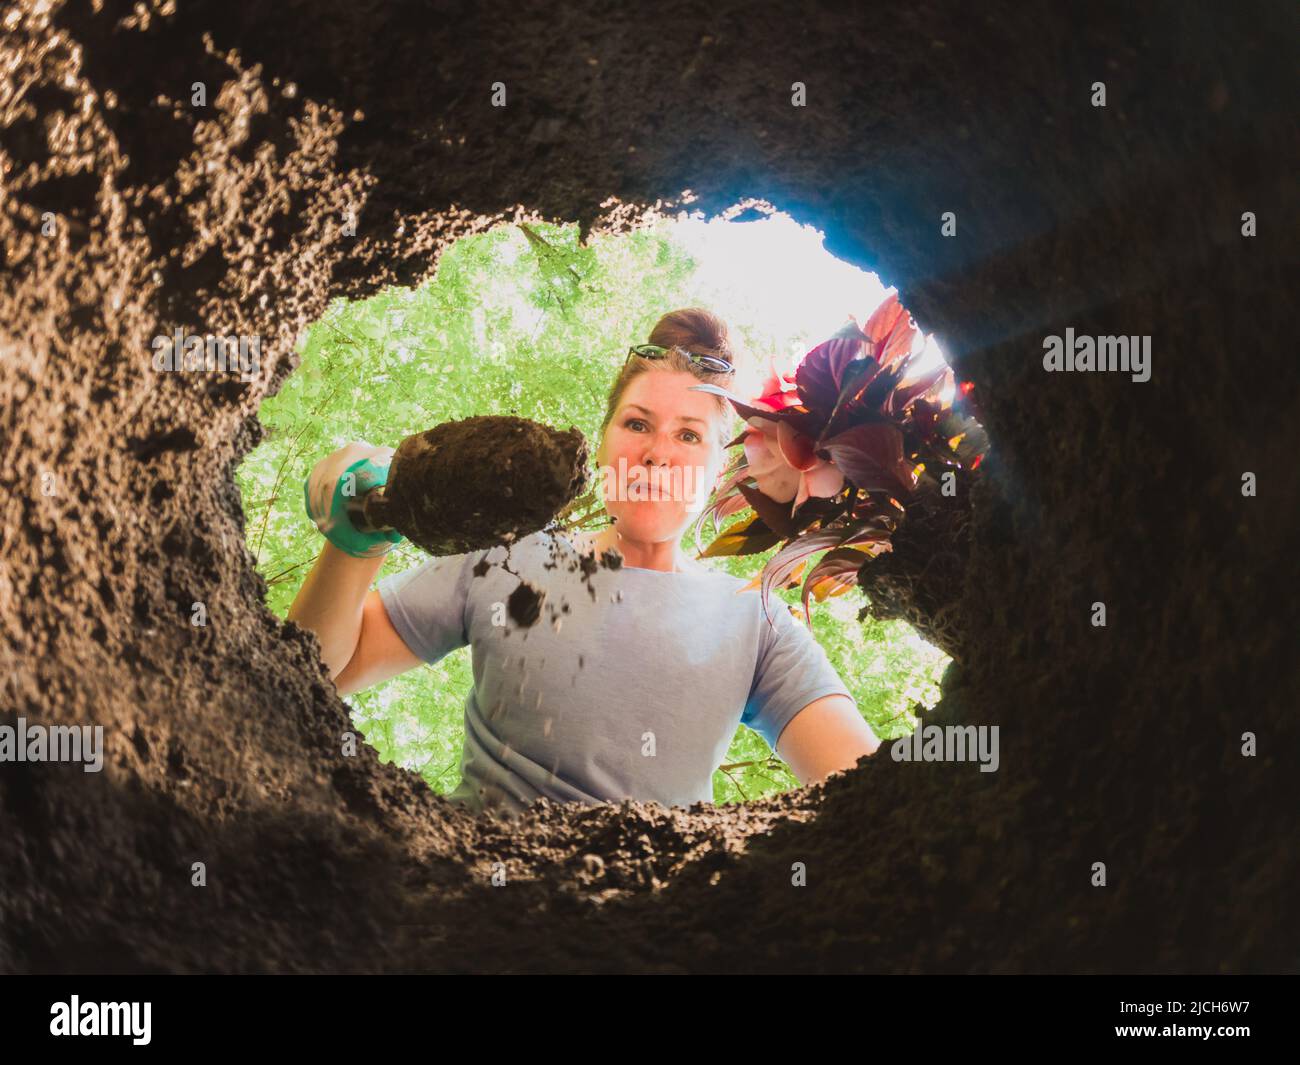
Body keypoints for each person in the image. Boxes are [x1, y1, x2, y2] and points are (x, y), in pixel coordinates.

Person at [288, 308, 880, 820]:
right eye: (637, 424)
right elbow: (314, 672)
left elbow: (871, 795)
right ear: (602, 445)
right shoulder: (507, 554)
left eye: (690, 436)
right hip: (468, 905)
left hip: (650, 929)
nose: (656, 452)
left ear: (717, 471)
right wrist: (355, 539)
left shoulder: (758, 620)